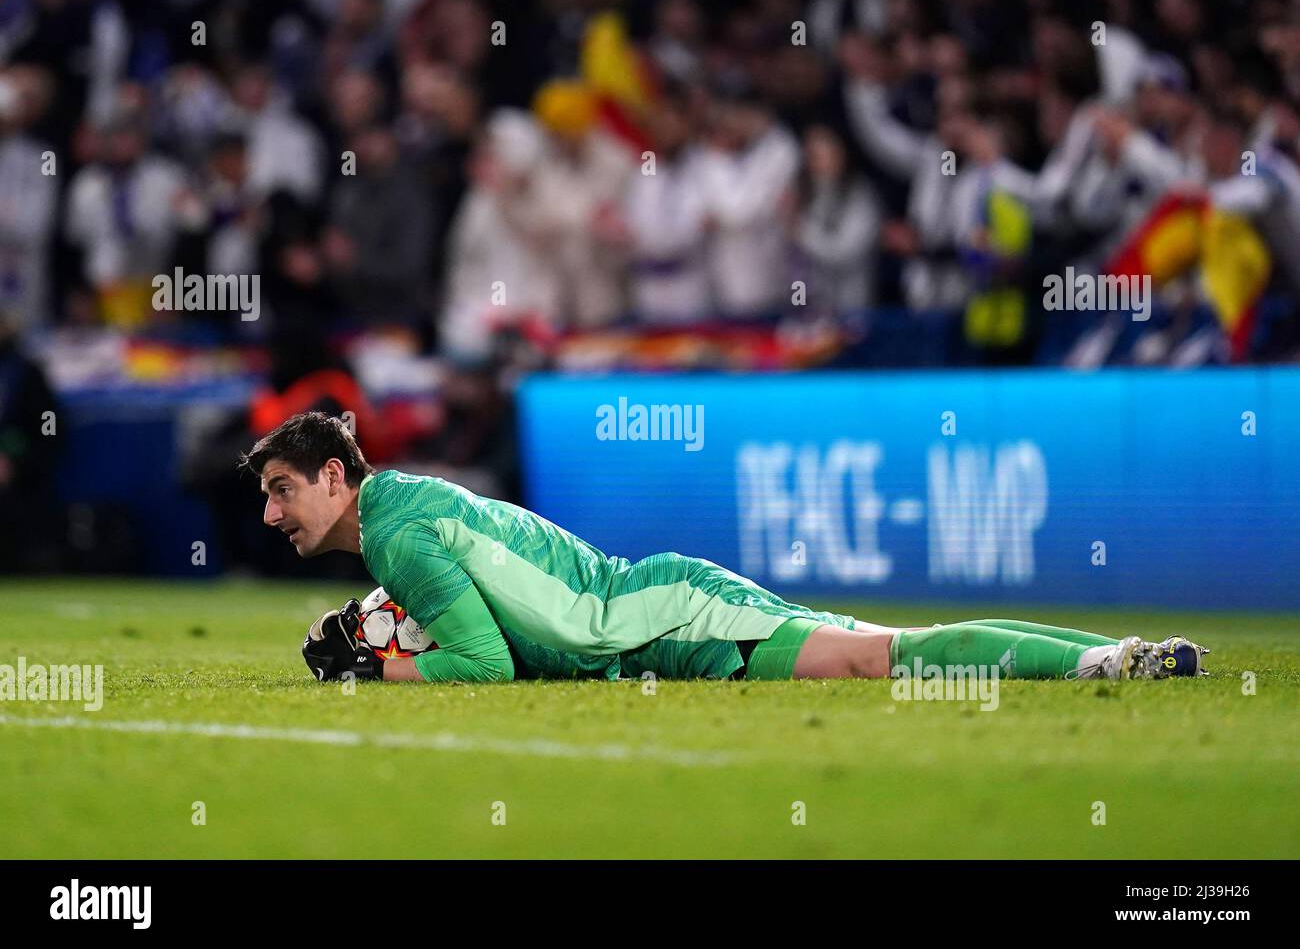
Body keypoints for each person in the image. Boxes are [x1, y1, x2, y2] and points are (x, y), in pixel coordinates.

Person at [240, 412, 1210, 685]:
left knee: (887, 655)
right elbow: (508, 622)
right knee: (883, 652)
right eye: (267, 497)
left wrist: (382, 667)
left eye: (285, 490)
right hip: (658, 623)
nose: (274, 513)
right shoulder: (404, 505)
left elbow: (488, 661)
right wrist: (391, 632)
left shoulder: (401, 536)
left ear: (336, 476)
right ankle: (1102, 653)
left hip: (673, 617)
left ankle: (1104, 656)